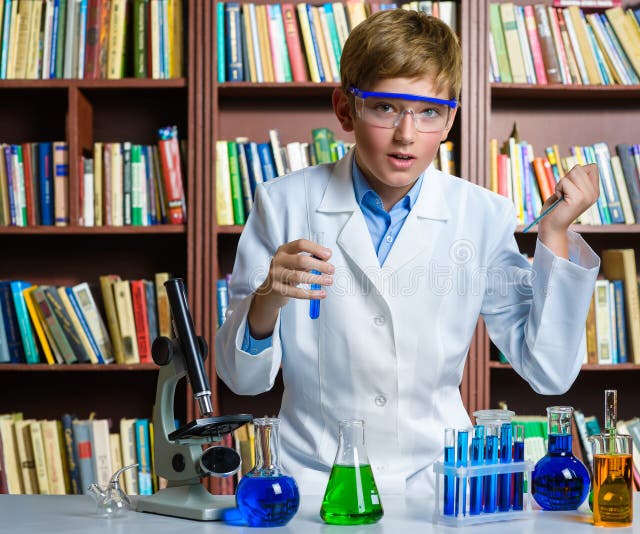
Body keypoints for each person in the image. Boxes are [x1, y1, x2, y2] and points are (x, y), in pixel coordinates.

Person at [216, 9, 600, 495]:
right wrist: (268, 297)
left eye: (428, 112)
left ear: (449, 121)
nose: (406, 134)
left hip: (438, 485)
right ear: (345, 109)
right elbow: (242, 379)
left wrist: (556, 235)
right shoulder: (283, 202)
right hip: (315, 484)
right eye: (384, 108)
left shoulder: (482, 216)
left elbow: (549, 373)